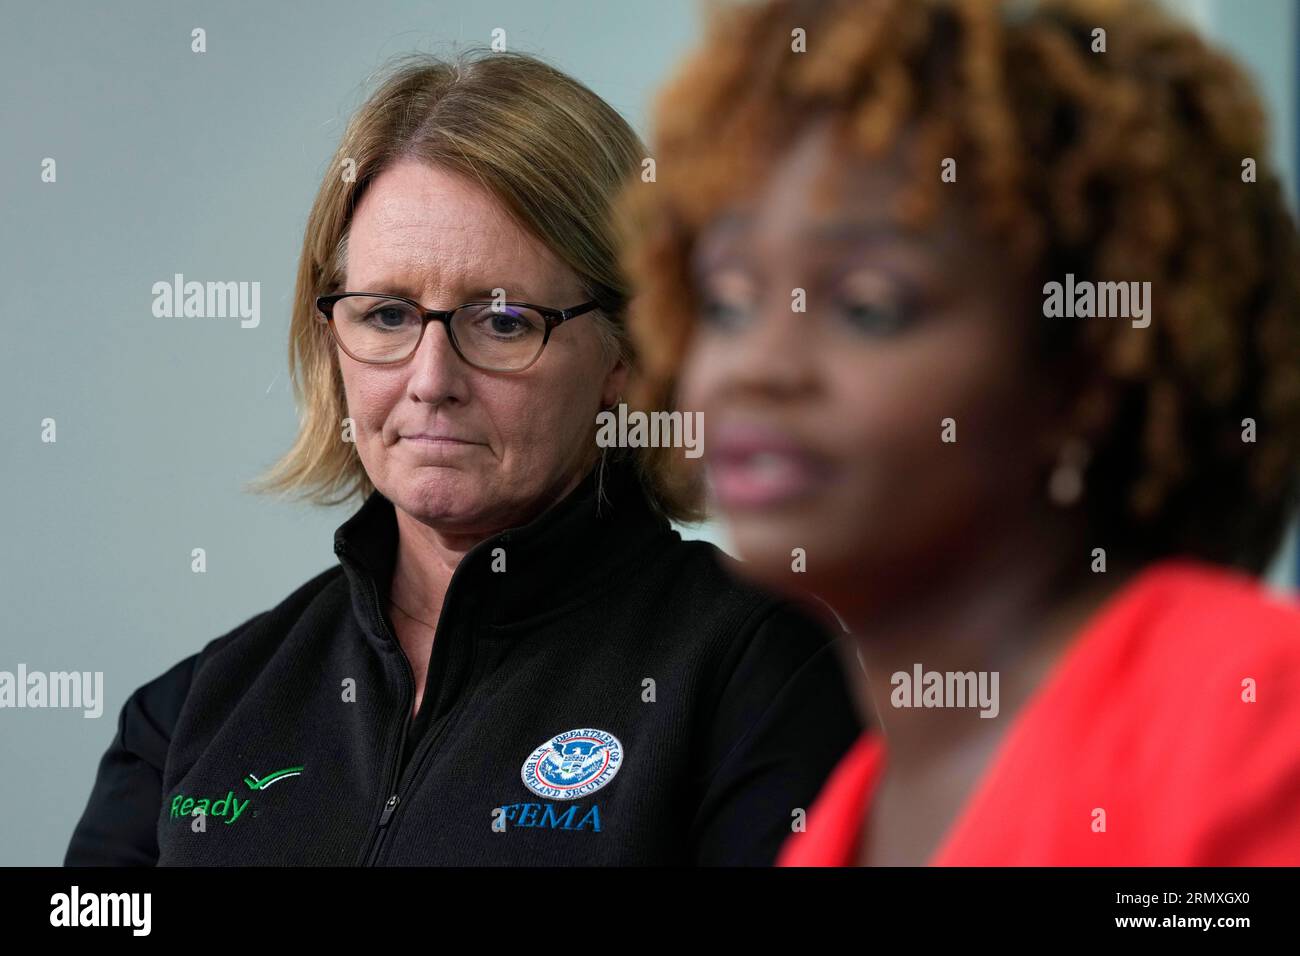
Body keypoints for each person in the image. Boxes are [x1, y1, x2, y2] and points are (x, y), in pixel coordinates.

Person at [63, 50, 862, 866]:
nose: (431, 380)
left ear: (630, 352)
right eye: (386, 316)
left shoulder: (757, 675)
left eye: (505, 321)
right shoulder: (196, 711)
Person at [622, 0, 1300, 865]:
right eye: (727, 301)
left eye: (868, 307)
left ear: (1085, 368)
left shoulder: (1253, 719)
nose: (755, 367)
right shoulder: (839, 821)